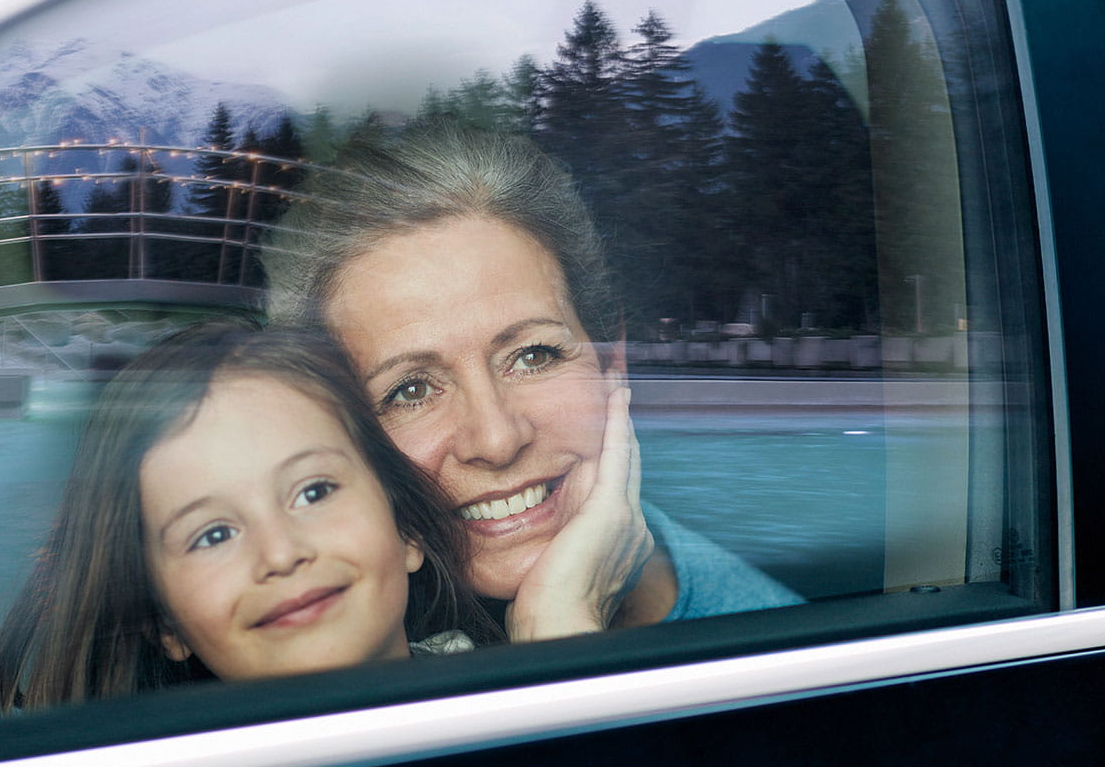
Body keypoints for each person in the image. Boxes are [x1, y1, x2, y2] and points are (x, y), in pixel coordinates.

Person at [264, 123, 799, 641]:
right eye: (412, 390)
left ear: (613, 362)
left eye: (533, 356)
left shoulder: (782, 659)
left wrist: (561, 628)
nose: (496, 440)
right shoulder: (315, 653)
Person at [0, 320, 491, 713]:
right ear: (164, 622)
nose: (281, 553)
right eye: (214, 535)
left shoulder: (520, 702)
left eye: (314, 492)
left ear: (405, 528)